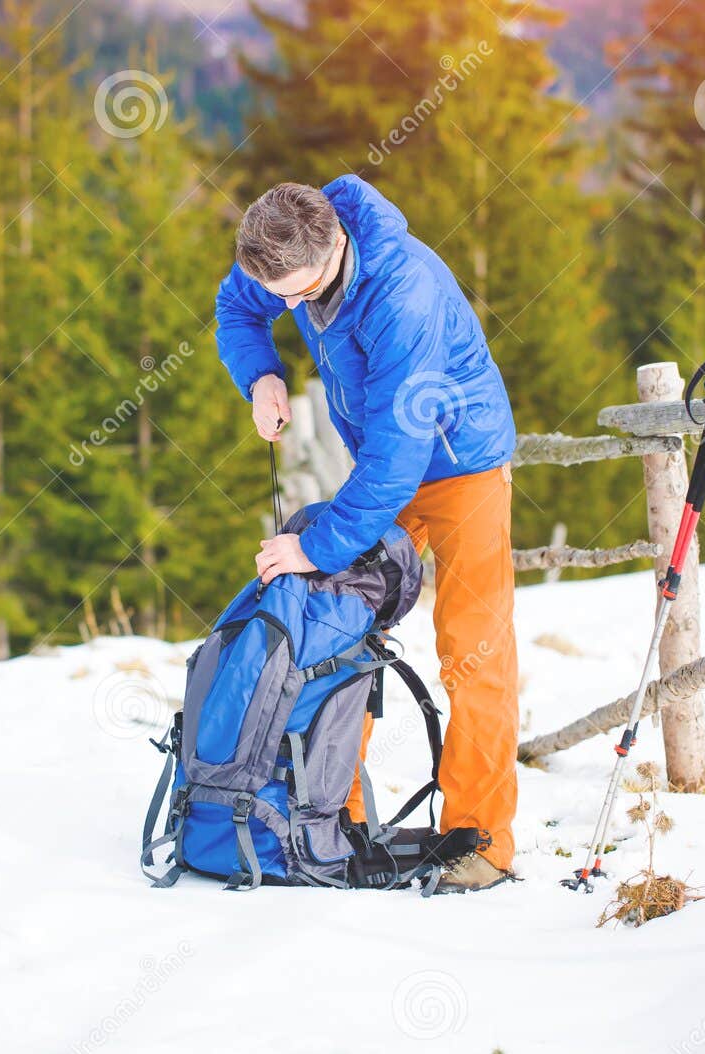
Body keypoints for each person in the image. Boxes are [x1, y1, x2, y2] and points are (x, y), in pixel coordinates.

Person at [213, 176, 520, 894]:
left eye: (297, 292)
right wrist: (260, 374)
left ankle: (482, 837)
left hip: (457, 460)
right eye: (279, 292)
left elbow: (395, 460)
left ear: (335, 250)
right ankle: (331, 816)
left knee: (472, 647)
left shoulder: (404, 296)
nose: (287, 306)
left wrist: (314, 548)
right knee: (339, 629)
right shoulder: (286, 237)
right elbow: (238, 305)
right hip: (383, 461)